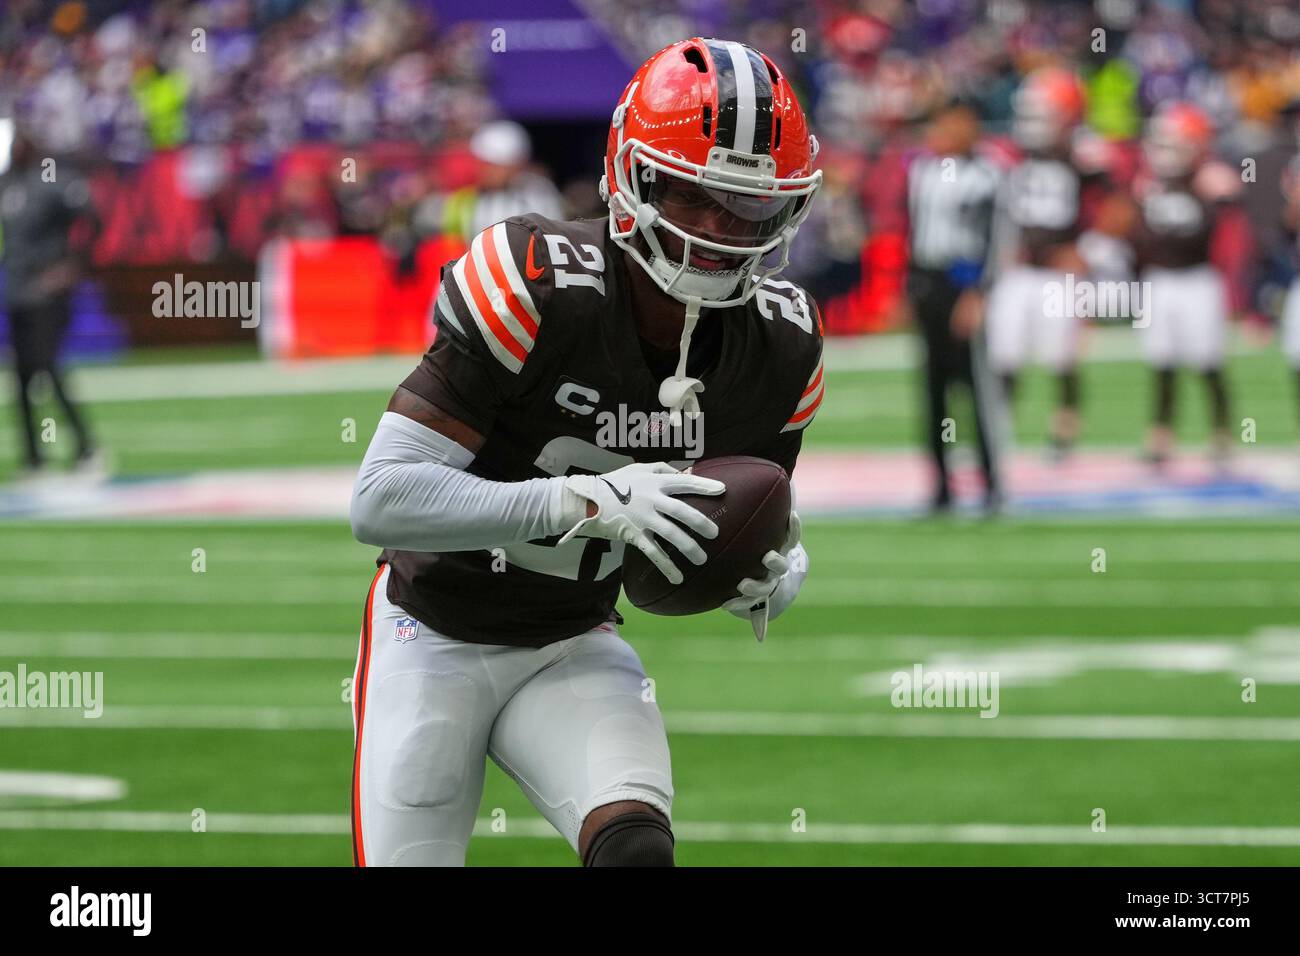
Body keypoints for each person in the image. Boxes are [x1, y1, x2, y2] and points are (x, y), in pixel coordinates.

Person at [348, 38, 824, 867]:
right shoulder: (537, 280)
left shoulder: (778, 345)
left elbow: (743, 505)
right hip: (431, 633)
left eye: (750, 207)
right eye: (699, 196)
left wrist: (771, 567)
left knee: (636, 853)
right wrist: (589, 502)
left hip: (575, 640)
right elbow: (381, 499)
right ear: (632, 179)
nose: (722, 231)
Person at [1130, 102, 1253, 467]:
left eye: (1176, 142)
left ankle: (1222, 434)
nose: (1167, 151)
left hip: (1199, 279)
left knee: (1207, 361)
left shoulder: (1212, 178)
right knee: (1161, 362)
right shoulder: (1149, 182)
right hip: (1159, 280)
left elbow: (1233, 229)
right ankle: (1160, 436)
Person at [900, 100, 1002, 513]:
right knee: (934, 391)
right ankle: (941, 486)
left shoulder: (987, 175)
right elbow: (913, 233)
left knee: (975, 389)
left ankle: (992, 483)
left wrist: (978, 292)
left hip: (964, 285)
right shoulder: (922, 172)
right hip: (930, 284)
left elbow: (992, 240)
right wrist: (910, 288)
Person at [0, 125, 99, 477]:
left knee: (46, 368)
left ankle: (85, 447)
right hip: (17, 292)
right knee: (22, 377)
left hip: (45, 292)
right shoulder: (8, 184)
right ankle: (34, 458)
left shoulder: (50, 179)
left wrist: (71, 266)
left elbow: (91, 218)